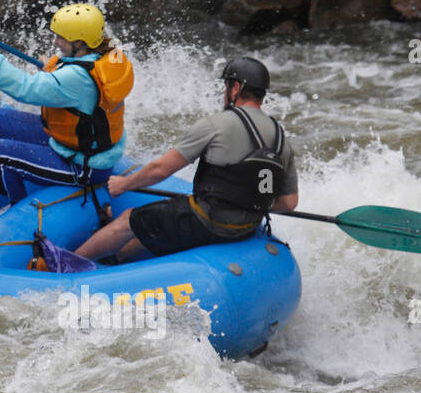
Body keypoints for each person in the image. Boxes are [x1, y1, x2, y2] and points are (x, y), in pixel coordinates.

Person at [75, 57, 299, 263]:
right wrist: (243, 202)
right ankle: (116, 259)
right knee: (160, 218)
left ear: (236, 88)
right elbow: (289, 203)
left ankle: (69, 263)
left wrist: (123, 185)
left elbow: (160, 170)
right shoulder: (282, 140)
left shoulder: (217, 124)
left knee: (128, 219)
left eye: (226, 86)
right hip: (247, 227)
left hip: (208, 222)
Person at [0, 3, 133, 206]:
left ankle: (10, 206)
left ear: (80, 43)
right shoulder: (105, 52)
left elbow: (25, 88)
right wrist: (53, 69)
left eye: (61, 38)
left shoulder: (76, 78)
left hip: (83, 166)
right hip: (77, 144)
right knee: (0, 119)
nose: (56, 42)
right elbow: (75, 77)